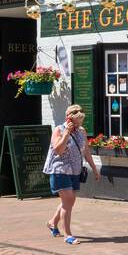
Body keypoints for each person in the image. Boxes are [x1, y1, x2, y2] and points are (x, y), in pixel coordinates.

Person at [42, 105, 99, 245]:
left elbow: (85, 151)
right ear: (69, 118)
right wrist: (66, 133)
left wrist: (94, 168)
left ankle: (52, 222)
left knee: (68, 201)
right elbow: (58, 150)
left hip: (74, 170)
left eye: (80, 121)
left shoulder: (81, 131)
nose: (79, 125)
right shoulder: (59, 130)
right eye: (76, 121)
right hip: (59, 169)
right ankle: (68, 235)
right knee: (69, 200)